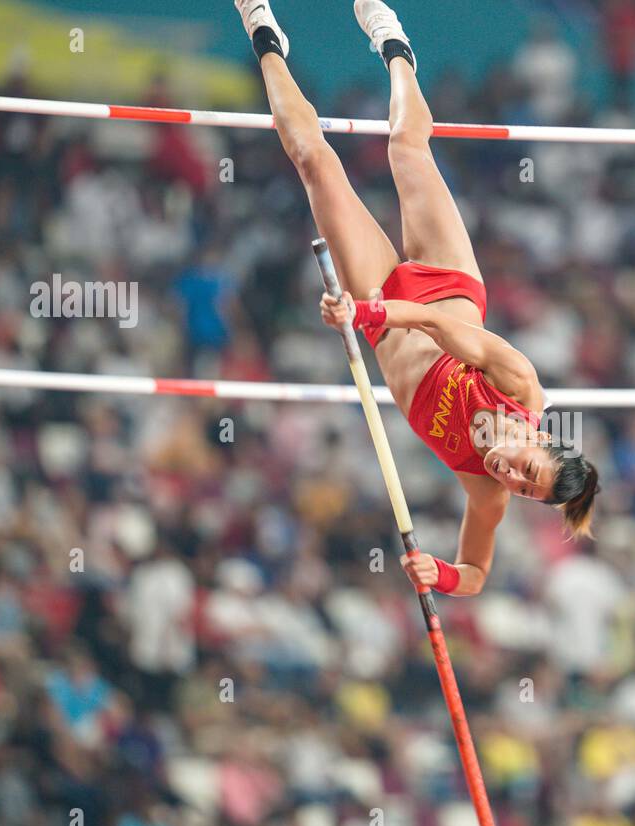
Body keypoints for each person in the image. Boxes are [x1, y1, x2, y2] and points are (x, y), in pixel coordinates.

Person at [233, 1, 600, 597]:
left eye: (525, 492)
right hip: (442, 285)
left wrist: (443, 573)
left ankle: (263, 33)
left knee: (315, 163)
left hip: (379, 317)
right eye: (529, 472)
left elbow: (477, 573)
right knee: (407, 149)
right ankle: (395, 46)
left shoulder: (485, 492)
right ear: (540, 439)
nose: (513, 479)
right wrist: (365, 312)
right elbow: (433, 322)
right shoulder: (520, 385)